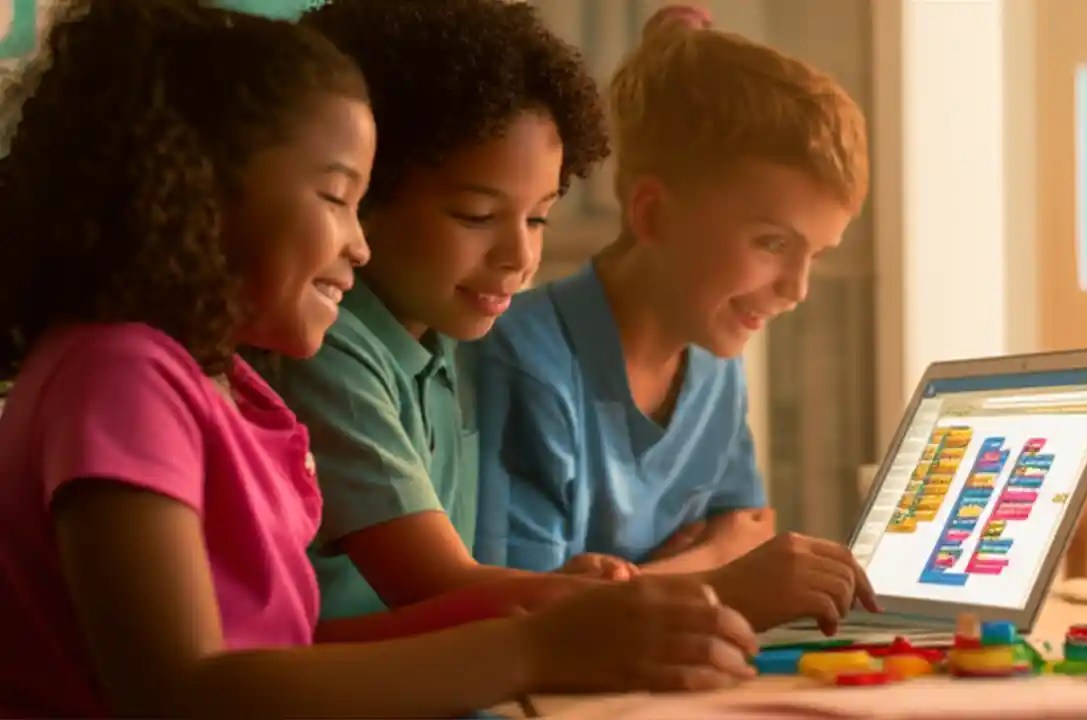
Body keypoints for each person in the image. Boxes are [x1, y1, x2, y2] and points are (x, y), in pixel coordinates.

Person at [0, 2, 755, 716]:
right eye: (337, 200)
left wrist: (532, 608)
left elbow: (292, 652)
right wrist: (527, 648)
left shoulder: (230, 390)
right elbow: (181, 691)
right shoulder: (120, 376)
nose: (357, 245)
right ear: (195, 194)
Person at [471, 7, 877, 634]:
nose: (796, 290)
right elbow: (529, 615)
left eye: (815, 256)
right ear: (654, 216)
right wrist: (716, 575)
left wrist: (644, 582)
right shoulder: (527, 362)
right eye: (771, 243)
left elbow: (750, 533)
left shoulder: (716, 363)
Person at [253, 0, 635, 635]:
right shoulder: (325, 347)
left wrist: (560, 589)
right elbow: (433, 586)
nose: (520, 255)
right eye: (476, 217)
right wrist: (706, 595)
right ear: (363, 197)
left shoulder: (440, 342)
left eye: (538, 217)